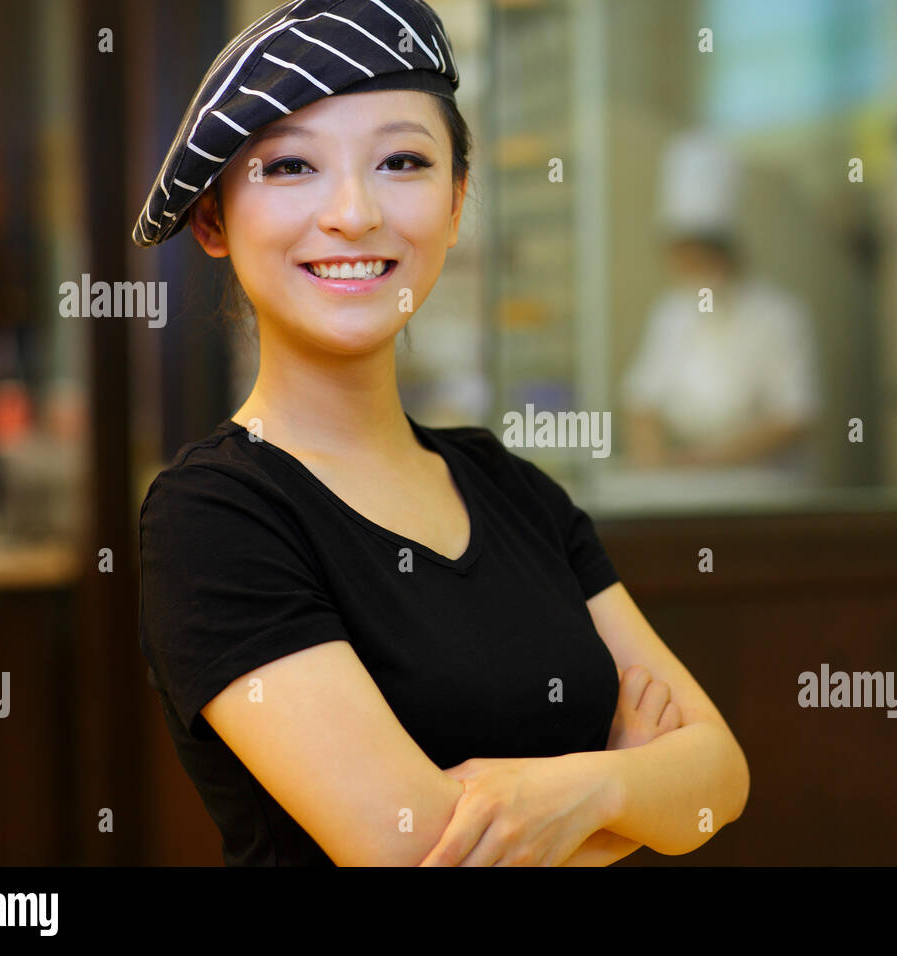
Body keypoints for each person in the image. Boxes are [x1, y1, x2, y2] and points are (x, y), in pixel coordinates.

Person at [134, 0, 748, 866]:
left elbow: (720, 779)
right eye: (291, 167)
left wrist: (577, 791)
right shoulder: (215, 516)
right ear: (213, 221)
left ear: (457, 205)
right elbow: (413, 853)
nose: (352, 213)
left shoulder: (509, 486)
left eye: (401, 161)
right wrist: (632, 785)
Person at [622, 129, 820, 474]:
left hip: (765, 485)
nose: (695, 271)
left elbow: (795, 417)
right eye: (684, 259)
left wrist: (706, 462)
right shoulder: (672, 312)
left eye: (702, 258)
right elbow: (642, 403)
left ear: (729, 255)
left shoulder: (778, 315)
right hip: (689, 481)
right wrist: (653, 465)